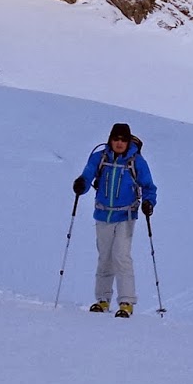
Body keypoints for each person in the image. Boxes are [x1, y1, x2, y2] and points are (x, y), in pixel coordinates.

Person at [73, 123, 157, 318]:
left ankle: (126, 302)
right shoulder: (100, 157)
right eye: (116, 138)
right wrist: (81, 185)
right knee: (105, 258)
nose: (119, 143)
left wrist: (148, 203)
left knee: (121, 256)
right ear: (110, 139)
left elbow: (149, 187)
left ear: (128, 141)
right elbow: (87, 175)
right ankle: (102, 300)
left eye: (123, 139)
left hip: (125, 216)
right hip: (103, 214)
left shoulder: (136, 162)